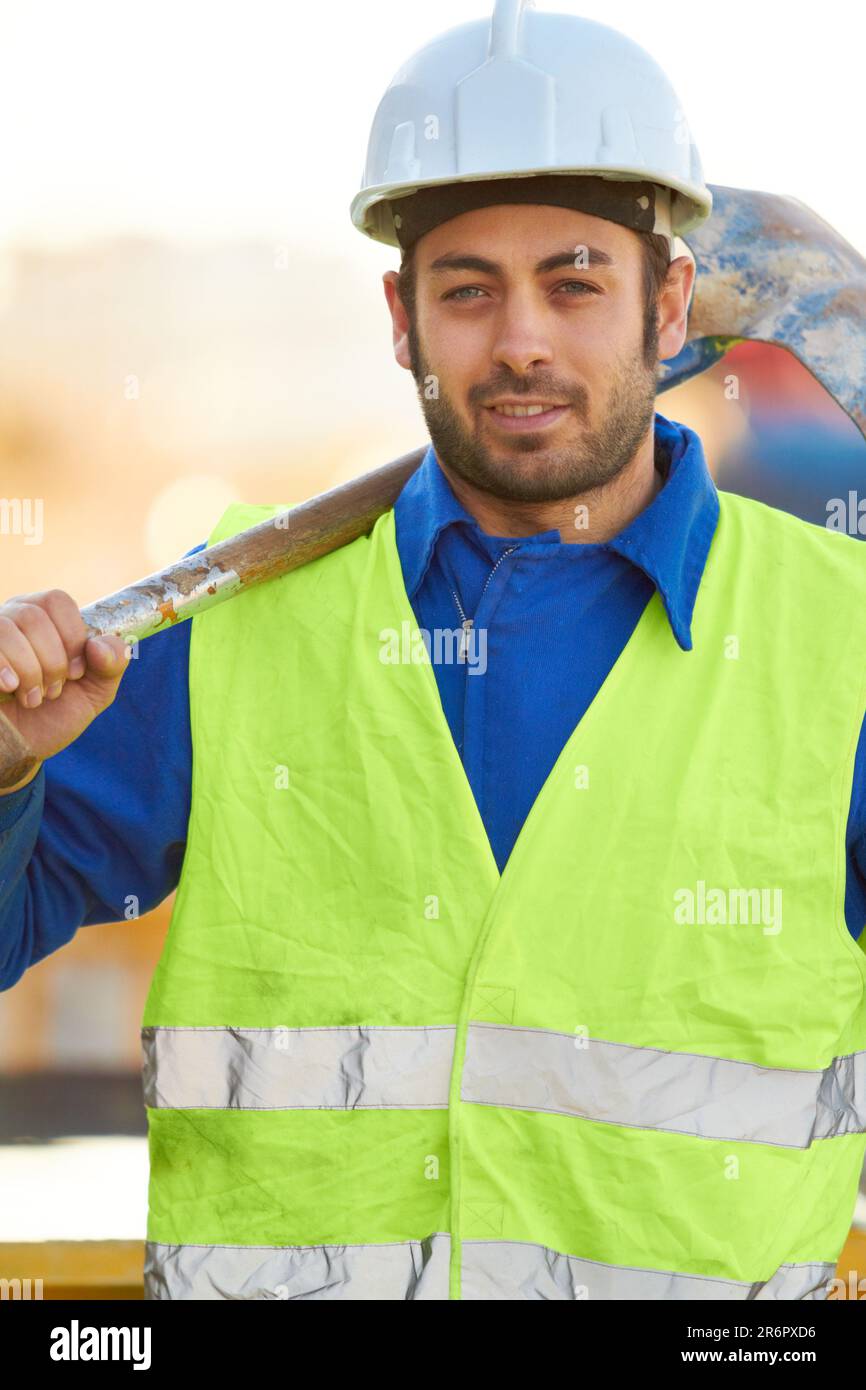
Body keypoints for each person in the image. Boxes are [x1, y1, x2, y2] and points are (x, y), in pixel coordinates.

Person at [1, 0, 865, 1301]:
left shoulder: (839, 640)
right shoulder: (225, 630)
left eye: (574, 282)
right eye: (469, 291)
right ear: (402, 318)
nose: (519, 338)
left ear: (668, 298)